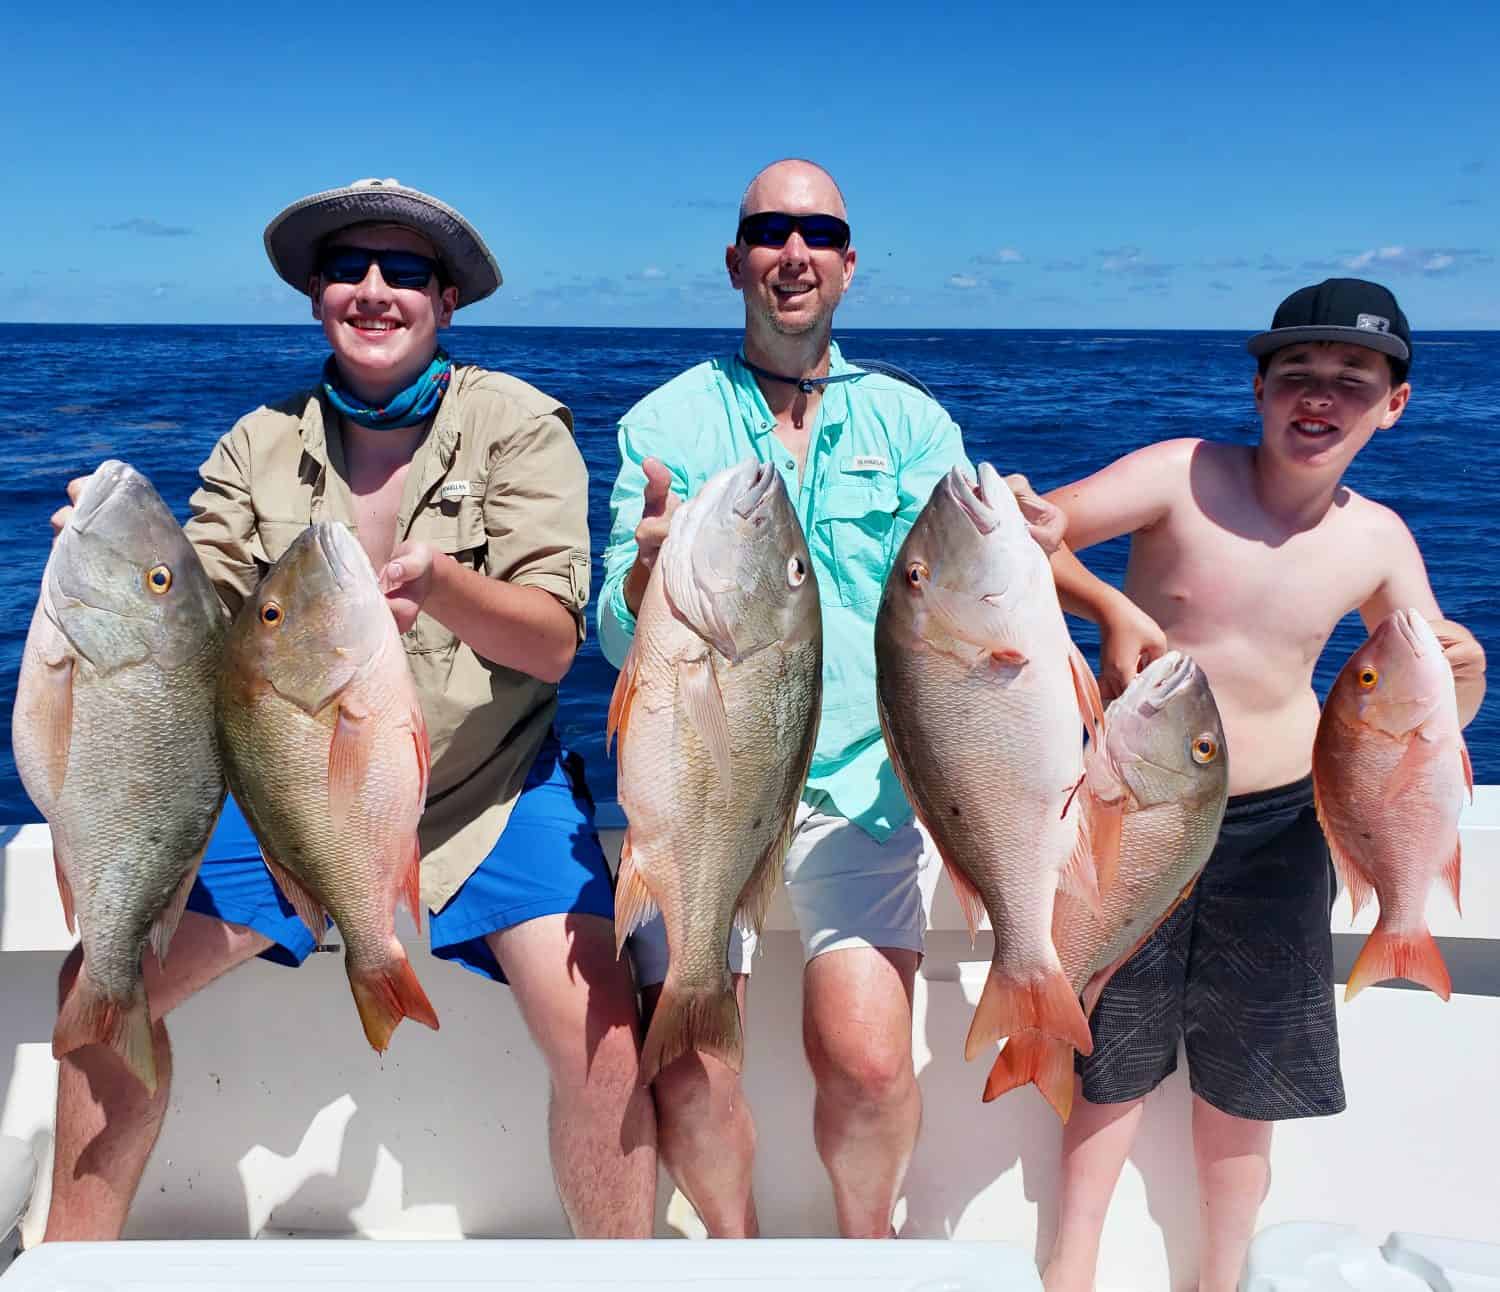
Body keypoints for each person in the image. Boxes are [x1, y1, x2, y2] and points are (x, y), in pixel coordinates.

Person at [44, 178, 656, 1240]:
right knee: (96, 988)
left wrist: (448, 589)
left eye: (406, 271)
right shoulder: (257, 443)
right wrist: (102, 568)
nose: (374, 290)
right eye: (348, 269)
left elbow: (557, 644)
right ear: (316, 294)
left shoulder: (517, 427)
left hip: (485, 790)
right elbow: (193, 617)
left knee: (603, 1038)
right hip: (290, 791)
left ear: (447, 300)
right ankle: (70, 1256)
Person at [597, 157, 1061, 1238]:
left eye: (816, 234)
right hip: (708, 777)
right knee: (693, 1069)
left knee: (863, 1061)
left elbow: (973, 601)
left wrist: (1051, 564)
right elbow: (616, 635)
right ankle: (740, 1249)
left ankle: (868, 1251)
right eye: (767, 231)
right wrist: (640, 577)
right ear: (735, 261)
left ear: (849, 265)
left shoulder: (911, 424)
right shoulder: (662, 424)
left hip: (867, 784)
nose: (790, 253)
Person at [1039, 278, 1487, 1291]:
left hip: (1284, 827)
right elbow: (1037, 529)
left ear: (1395, 403)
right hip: (1140, 808)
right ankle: (1070, 1268)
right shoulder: (1179, 475)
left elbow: (1437, 700)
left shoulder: (1378, 539)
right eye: (1299, 375)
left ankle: (1221, 1276)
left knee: (1251, 1077)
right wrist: (1110, 609)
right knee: (1107, 1051)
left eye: (1352, 380)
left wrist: (1465, 670)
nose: (1320, 396)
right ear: (1258, 388)